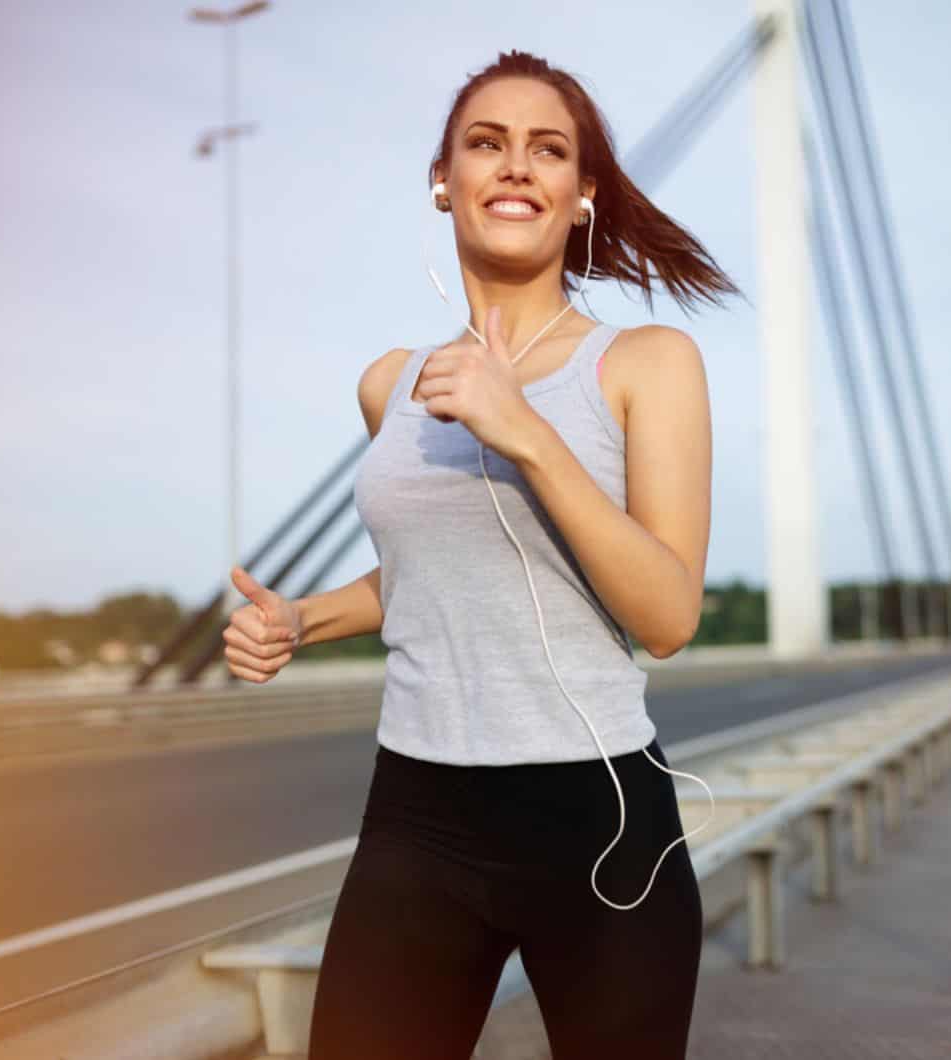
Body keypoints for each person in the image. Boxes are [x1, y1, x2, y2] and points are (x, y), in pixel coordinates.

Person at [221, 48, 740, 1059]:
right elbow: (428, 572)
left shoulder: (644, 364)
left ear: (580, 194)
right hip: (419, 816)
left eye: (547, 150)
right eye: (485, 144)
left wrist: (526, 433)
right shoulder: (391, 384)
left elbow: (668, 615)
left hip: (599, 820)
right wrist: (302, 618)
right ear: (442, 180)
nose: (514, 166)